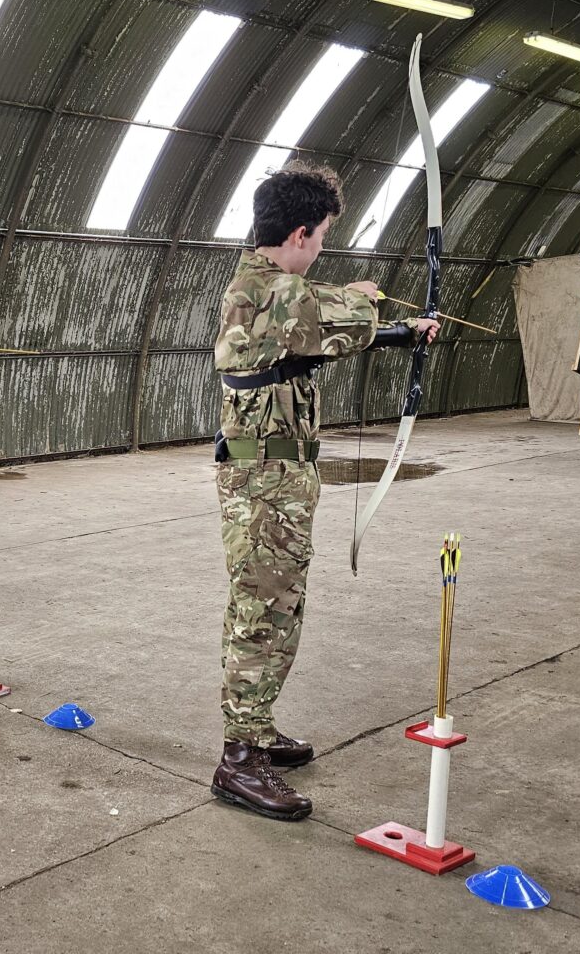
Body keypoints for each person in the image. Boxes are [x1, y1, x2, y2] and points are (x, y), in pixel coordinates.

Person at [210, 163, 441, 821]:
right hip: (263, 486)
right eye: (322, 238)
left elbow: (316, 338)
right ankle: (239, 760)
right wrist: (369, 298)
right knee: (261, 617)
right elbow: (332, 313)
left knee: (277, 611)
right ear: (303, 232)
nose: (320, 251)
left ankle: (257, 730)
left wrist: (401, 332)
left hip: (277, 482)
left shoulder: (274, 297)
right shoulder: (271, 293)